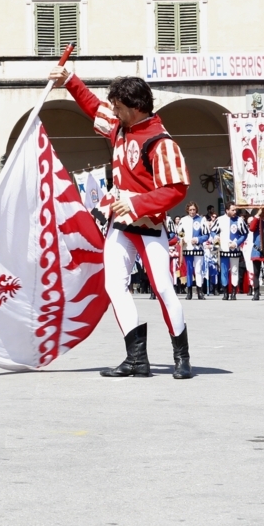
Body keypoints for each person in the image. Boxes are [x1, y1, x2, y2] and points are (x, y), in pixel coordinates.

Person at [52, 65, 194, 379]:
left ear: (134, 107)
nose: (112, 110)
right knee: (115, 285)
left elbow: (176, 189)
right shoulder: (120, 127)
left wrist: (135, 202)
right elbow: (93, 107)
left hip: (149, 225)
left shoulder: (160, 141)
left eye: (117, 106)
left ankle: (181, 357)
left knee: (163, 289)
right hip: (121, 225)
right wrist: (71, 81)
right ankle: (136, 358)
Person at [212, 204, 247, 300]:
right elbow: (213, 231)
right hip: (223, 249)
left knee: (235, 270)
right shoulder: (219, 220)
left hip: (234, 249)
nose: (235, 212)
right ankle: (225, 292)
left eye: (235, 210)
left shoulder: (239, 220)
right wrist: (216, 237)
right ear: (227, 210)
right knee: (224, 271)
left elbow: (244, 234)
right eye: (233, 210)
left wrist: (236, 243)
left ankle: (234, 293)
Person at [177, 202, 208, 300]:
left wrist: (198, 240)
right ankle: (189, 291)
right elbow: (179, 232)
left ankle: (200, 291)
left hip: (198, 248)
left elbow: (206, 235)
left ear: (196, 210)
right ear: (187, 210)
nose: (192, 211)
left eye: (194, 209)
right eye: (190, 210)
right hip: (188, 248)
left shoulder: (202, 219)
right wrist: (183, 239)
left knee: (198, 270)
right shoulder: (183, 220)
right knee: (189, 270)